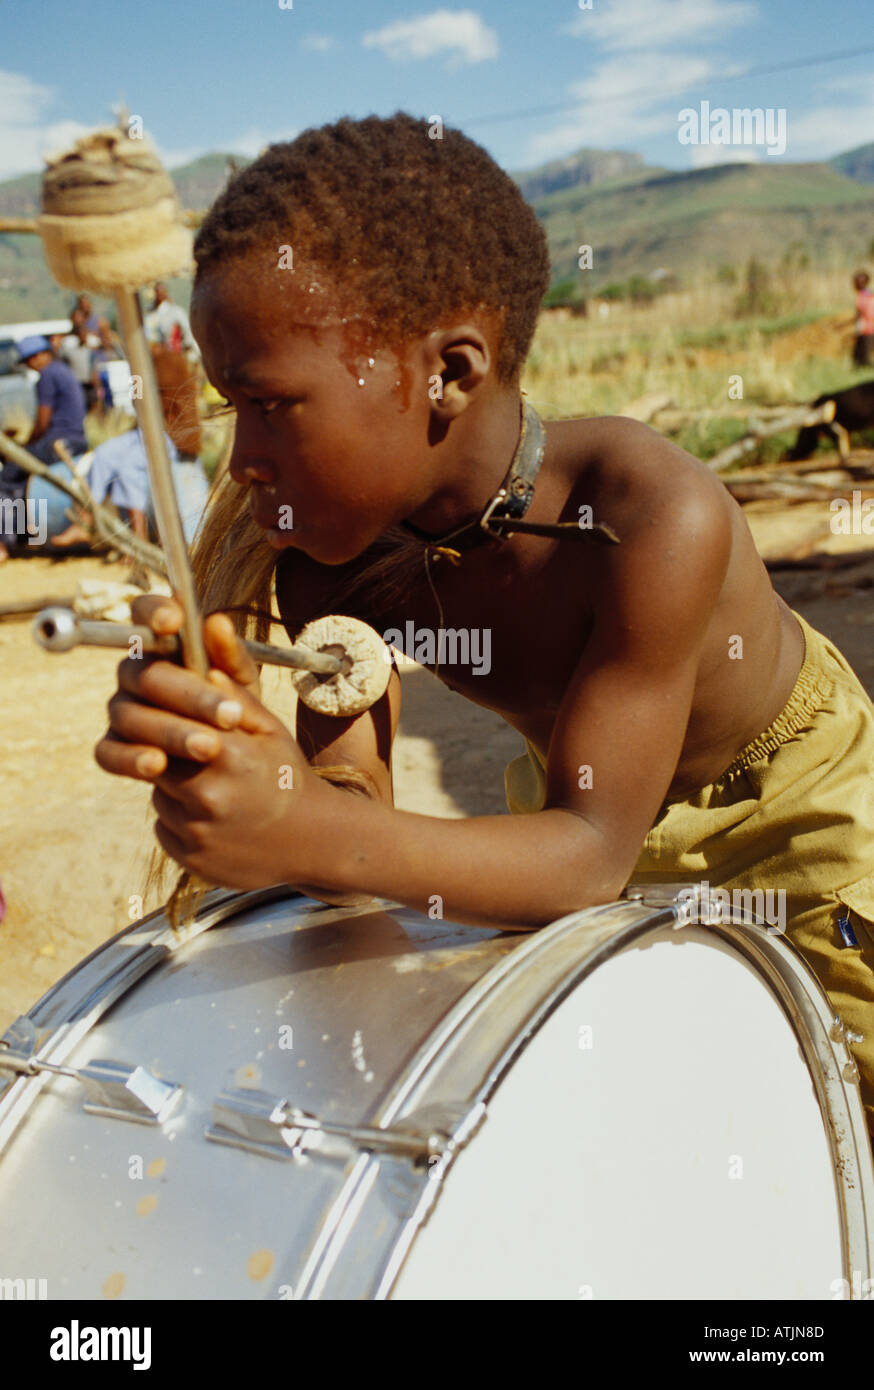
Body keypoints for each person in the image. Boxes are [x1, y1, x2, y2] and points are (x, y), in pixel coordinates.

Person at [94, 114, 874, 1146]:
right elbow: (351, 800)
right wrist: (243, 771)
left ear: (448, 374)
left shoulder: (652, 516)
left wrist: (307, 832)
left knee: (839, 1108)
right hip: (564, 811)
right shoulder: (337, 556)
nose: (242, 459)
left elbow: (592, 855)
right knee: (652, 1113)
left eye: (272, 404)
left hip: (789, 813)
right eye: (232, 406)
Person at [0, 335, 87, 562]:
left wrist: (23, 447)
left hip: (57, 441)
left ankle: (4, 543)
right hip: (76, 439)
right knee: (21, 478)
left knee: (7, 477)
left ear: (38, 356)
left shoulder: (47, 375)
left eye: (29, 360)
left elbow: (43, 422)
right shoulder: (62, 370)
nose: (29, 365)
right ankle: (26, 530)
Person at [144, 283, 199, 360]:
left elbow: (186, 330)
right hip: (157, 354)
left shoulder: (175, 311)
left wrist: (188, 346)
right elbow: (148, 333)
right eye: (157, 292)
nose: (159, 295)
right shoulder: (151, 314)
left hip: (176, 353)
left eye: (161, 292)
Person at [851, 270, 874, 367]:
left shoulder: (867, 296)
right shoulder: (864, 294)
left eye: (858, 282)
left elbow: (868, 312)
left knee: (864, 358)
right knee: (858, 357)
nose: (855, 284)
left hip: (868, 329)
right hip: (864, 328)